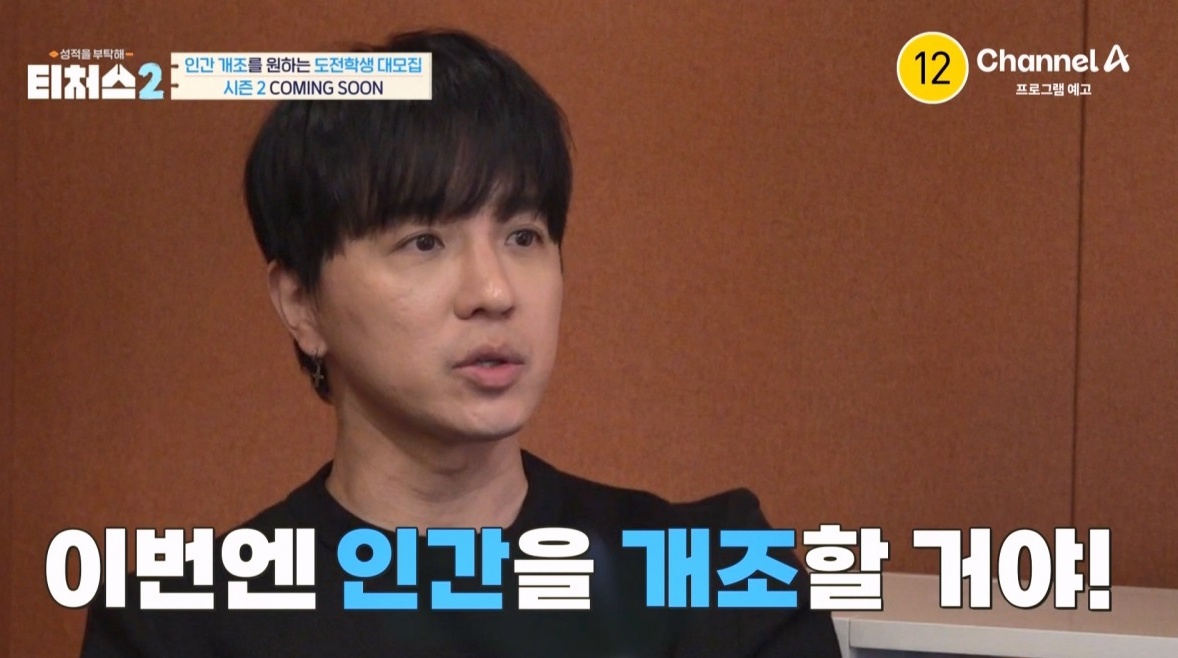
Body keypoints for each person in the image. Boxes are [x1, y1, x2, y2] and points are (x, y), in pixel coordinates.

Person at [80, 28, 841, 657]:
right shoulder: (178, 625)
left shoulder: (712, 571)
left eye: (523, 235)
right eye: (424, 242)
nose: (494, 291)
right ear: (301, 303)